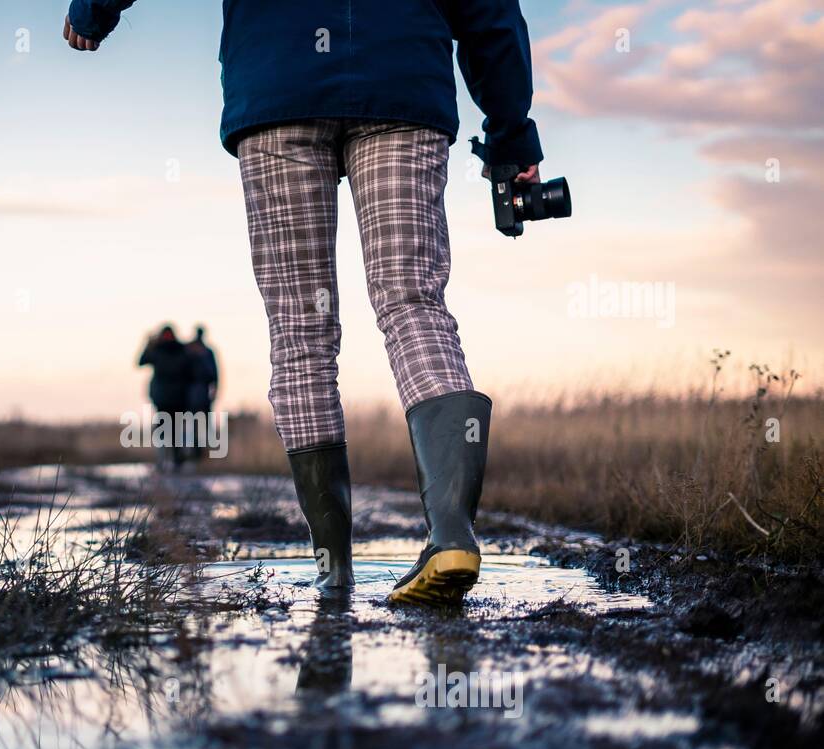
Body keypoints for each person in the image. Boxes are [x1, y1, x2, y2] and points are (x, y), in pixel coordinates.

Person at [67, 1, 544, 606]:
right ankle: (451, 534)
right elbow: (488, 9)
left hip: (278, 85)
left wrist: (94, 9)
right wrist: (510, 130)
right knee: (412, 301)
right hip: (402, 82)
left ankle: (333, 566)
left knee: (301, 333)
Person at [137, 325, 191, 469]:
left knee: (164, 429)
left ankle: (165, 460)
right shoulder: (182, 350)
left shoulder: (157, 350)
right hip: (177, 398)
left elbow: (141, 360)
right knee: (174, 429)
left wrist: (149, 343)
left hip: (165, 398)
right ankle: (174, 460)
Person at [184, 326, 218, 461]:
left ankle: (201, 455)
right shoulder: (190, 351)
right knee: (191, 425)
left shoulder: (207, 352)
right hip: (192, 395)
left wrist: (214, 390)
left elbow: (213, 373)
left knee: (203, 426)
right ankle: (192, 454)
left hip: (202, 395)